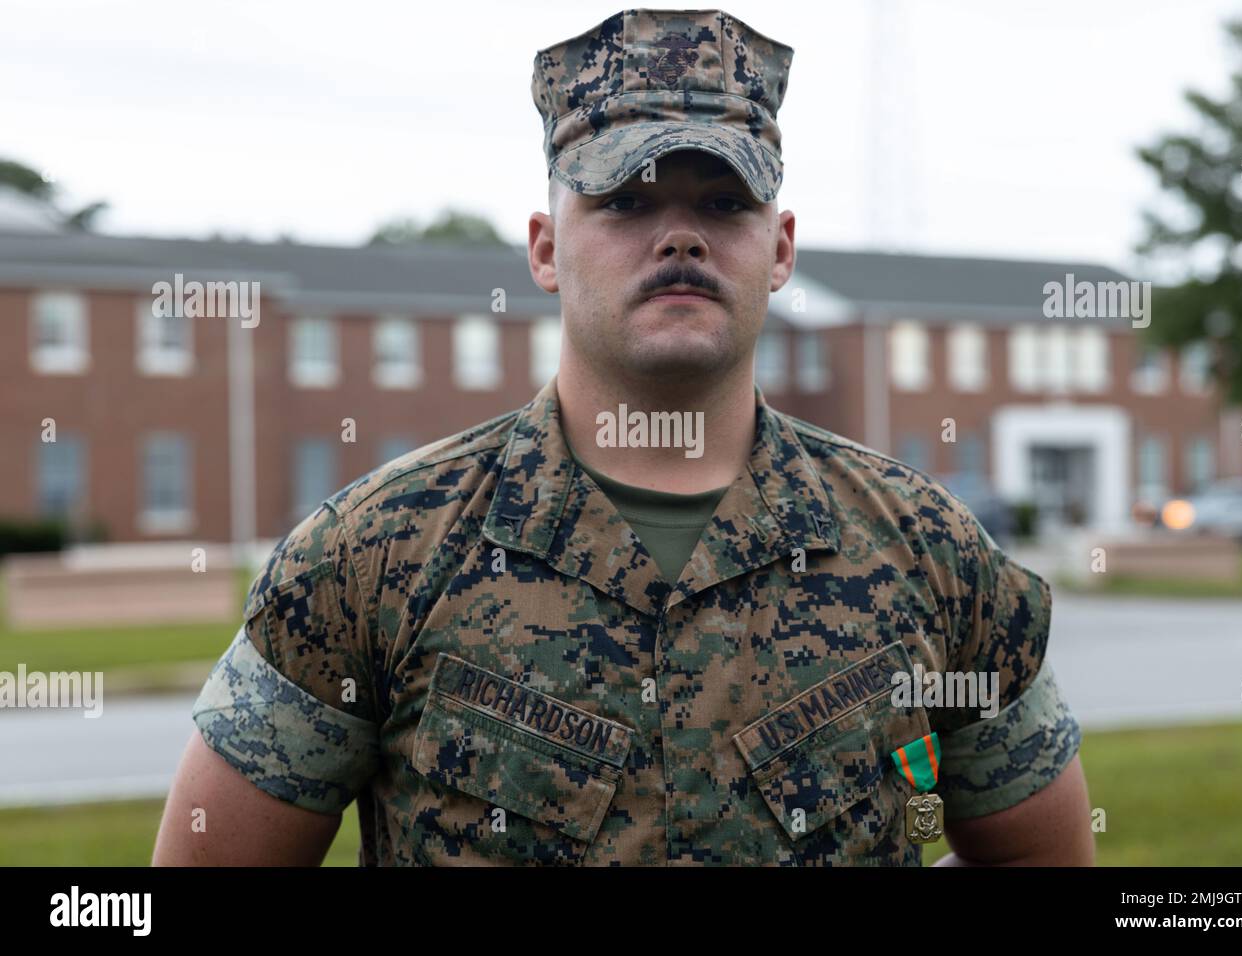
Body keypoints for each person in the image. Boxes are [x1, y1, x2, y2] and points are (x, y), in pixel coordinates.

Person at [153, 7, 1094, 866]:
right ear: (545, 248)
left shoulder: (931, 552)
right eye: (625, 202)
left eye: (726, 204)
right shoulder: (372, 557)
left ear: (782, 249)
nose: (680, 237)